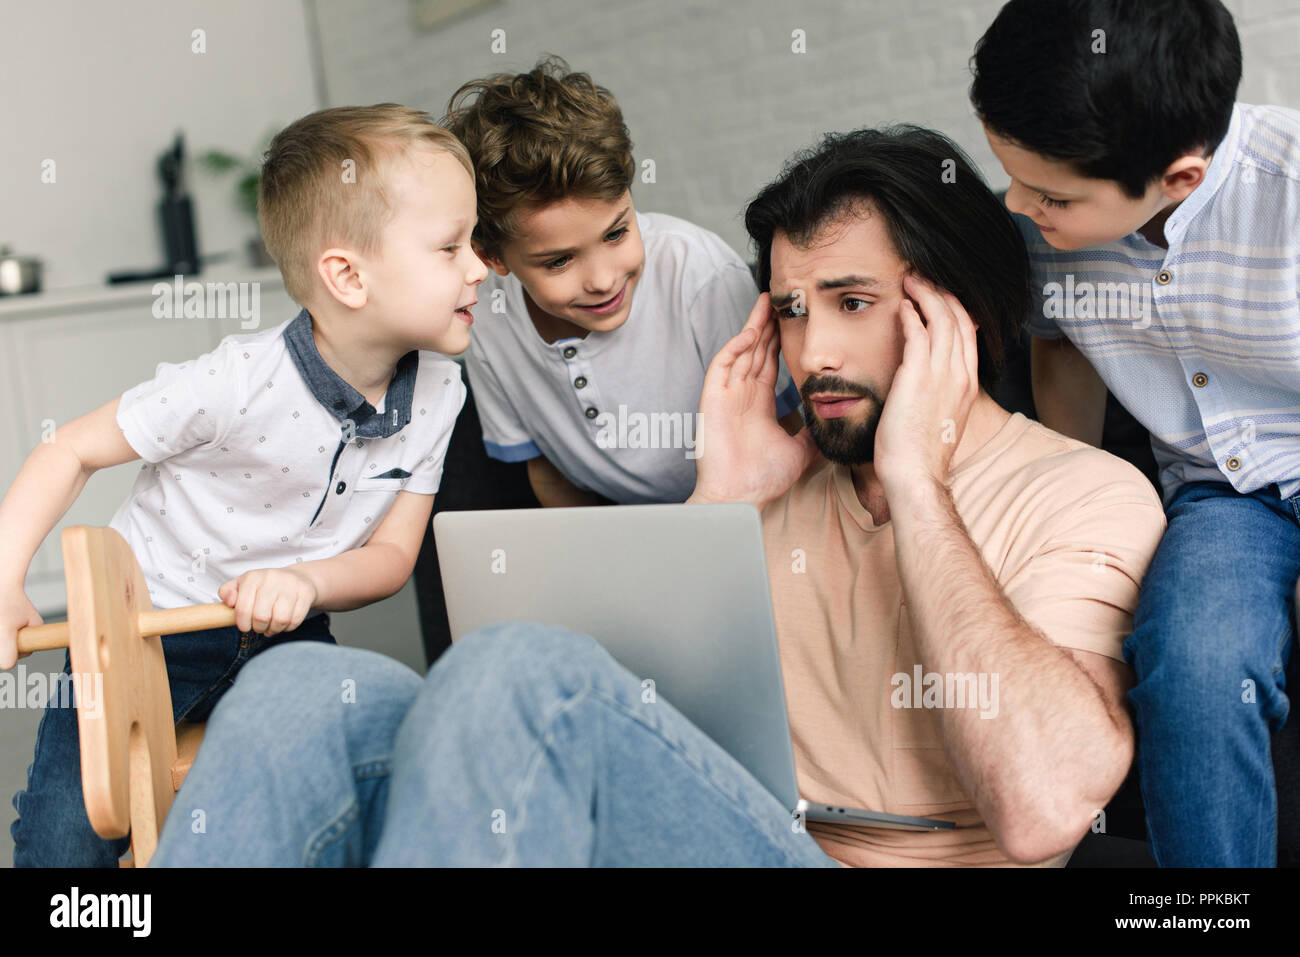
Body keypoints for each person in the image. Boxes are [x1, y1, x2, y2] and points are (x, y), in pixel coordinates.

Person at [150, 126, 1165, 867]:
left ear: (962, 316)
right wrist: (719, 496)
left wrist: (915, 482)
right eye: (791, 311)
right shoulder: (774, 476)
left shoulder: (1080, 492)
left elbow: (1040, 815)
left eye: (853, 305)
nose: (812, 352)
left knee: (515, 665)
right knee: (303, 696)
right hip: (734, 831)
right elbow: (615, 719)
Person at [0, 104, 484, 866]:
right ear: (347, 275)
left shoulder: (442, 393)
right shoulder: (231, 383)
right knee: (66, 840)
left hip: (293, 638)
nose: (479, 266)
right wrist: (4, 577)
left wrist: (305, 579)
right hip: (145, 637)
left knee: (330, 798)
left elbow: (392, 556)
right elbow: (69, 450)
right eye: (451, 246)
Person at [971, 0, 1300, 866]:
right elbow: (1064, 359)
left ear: (1181, 176)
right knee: (1194, 676)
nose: (1018, 203)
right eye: (1013, 175)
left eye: (1049, 195)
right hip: (1220, 498)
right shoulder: (1047, 214)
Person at [445, 56, 802, 506]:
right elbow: (550, 477)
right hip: (620, 532)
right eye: (558, 261)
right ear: (491, 257)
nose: (603, 279)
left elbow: (786, 439)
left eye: (616, 233)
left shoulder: (699, 273)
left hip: (749, 515)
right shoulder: (485, 318)